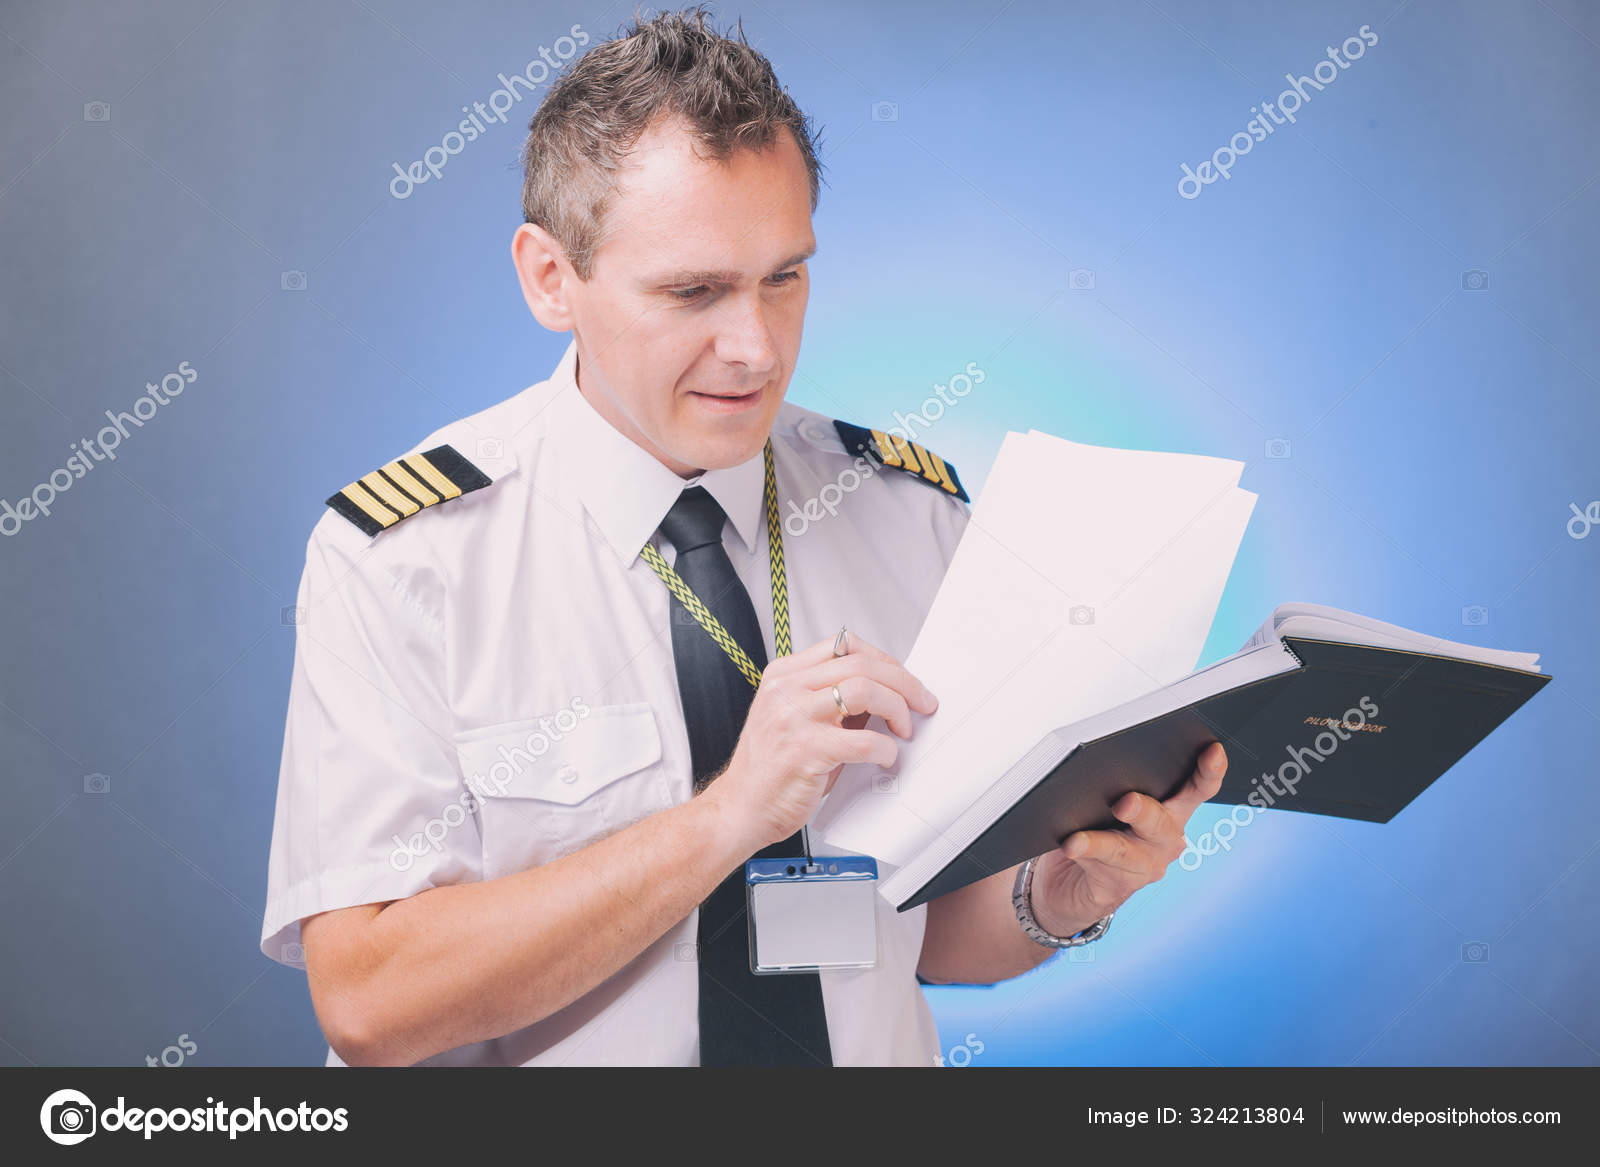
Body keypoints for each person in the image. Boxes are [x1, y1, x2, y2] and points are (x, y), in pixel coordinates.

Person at [259, 8, 1227, 1067]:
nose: (755, 347)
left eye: (784, 276)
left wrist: (1060, 893)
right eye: (692, 291)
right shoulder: (408, 557)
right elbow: (371, 1001)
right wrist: (730, 817)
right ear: (550, 279)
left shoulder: (911, 513)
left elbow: (931, 934)